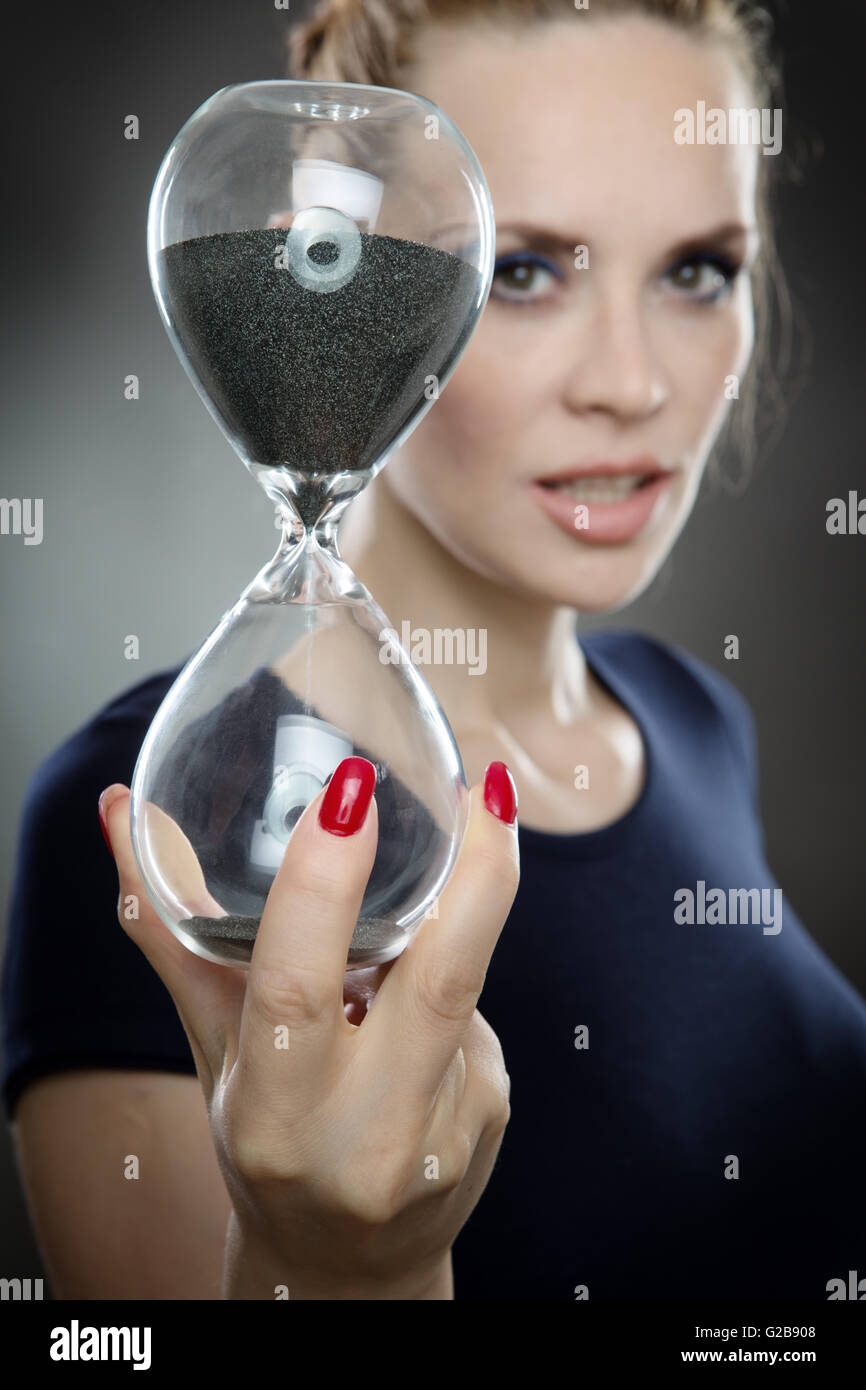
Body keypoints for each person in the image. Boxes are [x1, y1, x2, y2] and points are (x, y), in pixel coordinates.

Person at [3, 0, 865, 1301]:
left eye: (696, 269)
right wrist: (342, 1267)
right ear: (330, 282)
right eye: (522, 269)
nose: (629, 382)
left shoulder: (692, 716)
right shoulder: (172, 816)